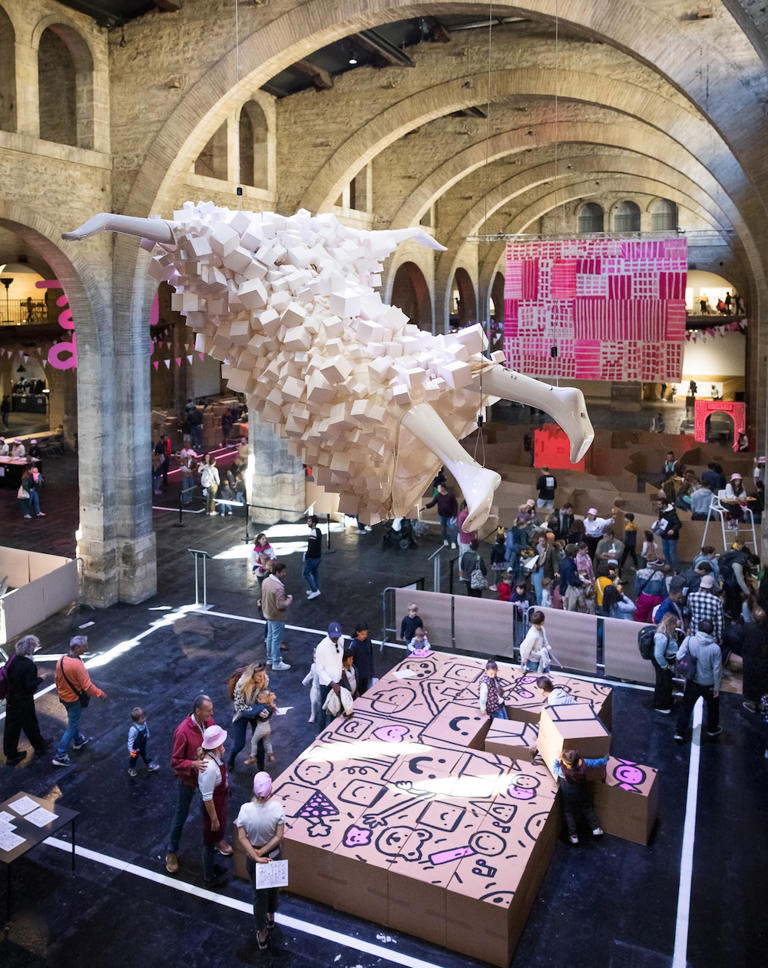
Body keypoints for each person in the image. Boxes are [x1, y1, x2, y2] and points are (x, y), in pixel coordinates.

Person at [165, 694, 229, 874]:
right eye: (208, 711)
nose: (212, 713)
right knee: (181, 814)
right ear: (198, 711)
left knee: (212, 811)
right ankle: (171, 850)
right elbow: (175, 761)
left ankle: (216, 840)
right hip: (188, 780)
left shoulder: (209, 722)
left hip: (206, 778)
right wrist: (192, 764)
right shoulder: (182, 731)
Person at [235, 772, 286, 951]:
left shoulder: (245, 810)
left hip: (253, 857)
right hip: (273, 855)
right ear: (271, 789)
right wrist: (264, 851)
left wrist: (256, 855)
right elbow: (279, 836)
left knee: (259, 894)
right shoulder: (277, 809)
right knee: (273, 889)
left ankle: (262, 932)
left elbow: (241, 837)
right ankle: (271, 917)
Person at [52, 635, 107, 767]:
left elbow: (56, 679)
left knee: (73, 721)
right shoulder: (77, 665)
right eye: (84, 647)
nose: (87, 648)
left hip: (64, 697)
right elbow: (87, 687)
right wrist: (100, 694)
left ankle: (78, 741)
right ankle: (60, 755)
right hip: (74, 699)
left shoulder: (61, 659)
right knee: (72, 727)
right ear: (76, 648)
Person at [674, 618, 723, 742]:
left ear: (699, 629)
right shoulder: (715, 648)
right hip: (709, 683)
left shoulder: (689, 640)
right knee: (712, 707)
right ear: (712, 632)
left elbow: (679, 656)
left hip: (692, 680)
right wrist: (717, 687)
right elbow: (717, 669)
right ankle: (712, 729)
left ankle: (680, 732)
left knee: (686, 707)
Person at [2, 634, 48, 765]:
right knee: (31, 725)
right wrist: (40, 679)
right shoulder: (29, 665)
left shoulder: (13, 659)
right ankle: (40, 747)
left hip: (11, 699)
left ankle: (11, 755)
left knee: (11, 728)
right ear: (31, 648)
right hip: (24, 702)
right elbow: (30, 687)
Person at [198, 724, 230, 888]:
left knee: (214, 838)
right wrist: (214, 818)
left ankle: (210, 867)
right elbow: (207, 796)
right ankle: (208, 877)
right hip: (213, 806)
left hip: (219, 802)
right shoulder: (209, 767)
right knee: (209, 841)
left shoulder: (213, 758)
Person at [553, 750, 607, 845]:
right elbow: (595, 763)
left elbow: (554, 768)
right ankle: (596, 829)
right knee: (587, 808)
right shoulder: (584, 764)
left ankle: (573, 836)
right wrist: (604, 759)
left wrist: (557, 760)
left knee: (569, 812)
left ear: (565, 762)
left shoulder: (562, 771)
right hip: (581, 791)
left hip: (568, 795)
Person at [228, 663, 272, 772]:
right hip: (242, 714)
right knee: (239, 745)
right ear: (252, 675)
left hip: (256, 711)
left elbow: (263, 698)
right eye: (259, 676)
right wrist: (258, 711)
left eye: (263, 675)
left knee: (259, 742)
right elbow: (240, 708)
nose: (262, 679)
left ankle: (261, 770)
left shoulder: (264, 679)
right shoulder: (241, 684)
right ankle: (231, 760)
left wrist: (266, 710)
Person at [261, 562, 292, 671]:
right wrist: (289, 600)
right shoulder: (279, 587)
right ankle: (276, 663)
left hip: (268, 613)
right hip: (277, 616)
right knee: (276, 640)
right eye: (283, 572)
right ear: (277, 572)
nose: (284, 574)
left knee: (270, 637)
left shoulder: (265, 581)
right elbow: (280, 605)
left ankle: (270, 658)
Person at [315, 621, 345, 732]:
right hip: (326, 684)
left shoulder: (341, 640)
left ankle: (332, 732)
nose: (336, 639)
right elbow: (319, 669)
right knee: (324, 709)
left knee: (335, 708)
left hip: (337, 680)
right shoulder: (321, 647)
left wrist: (341, 675)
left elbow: (339, 660)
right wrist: (332, 683)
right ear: (328, 634)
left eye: (337, 637)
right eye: (334, 637)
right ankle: (320, 734)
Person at [652, 613, 680, 714]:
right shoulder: (662, 637)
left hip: (666, 661)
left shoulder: (668, 633)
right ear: (671, 624)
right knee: (663, 684)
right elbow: (658, 655)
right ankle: (660, 705)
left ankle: (665, 701)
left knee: (666, 683)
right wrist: (665, 666)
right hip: (663, 663)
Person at [687, 574, 724, 643]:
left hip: (695, 632)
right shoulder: (716, 600)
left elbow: (689, 611)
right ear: (712, 587)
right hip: (710, 635)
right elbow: (720, 622)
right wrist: (720, 637)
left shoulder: (691, 596)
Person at [245, 688, 277, 767]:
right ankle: (270, 754)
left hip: (261, 728)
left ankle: (252, 756)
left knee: (253, 741)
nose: (257, 699)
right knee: (267, 741)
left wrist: (257, 713)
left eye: (259, 699)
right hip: (268, 727)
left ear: (265, 700)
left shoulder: (263, 708)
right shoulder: (271, 706)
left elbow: (262, 715)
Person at [127, 706, 160, 776]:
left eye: (144, 717)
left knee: (145, 754)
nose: (144, 719)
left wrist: (148, 734)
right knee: (134, 758)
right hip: (135, 747)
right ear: (136, 720)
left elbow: (146, 728)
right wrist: (131, 750)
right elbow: (130, 740)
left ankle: (149, 765)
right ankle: (131, 768)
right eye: (142, 718)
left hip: (142, 743)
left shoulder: (144, 723)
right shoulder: (133, 729)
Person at [425, 482, 459, 548]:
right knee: (443, 529)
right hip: (442, 516)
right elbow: (432, 503)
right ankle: (445, 540)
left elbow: (455, 505)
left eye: (439, 488)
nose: (438, 489)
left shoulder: (451, 495)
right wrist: (426, 506)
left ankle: (453, 542)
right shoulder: (438, 496)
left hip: (450, 516)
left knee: (452, 529)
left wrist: (454, 515)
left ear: (443, 488)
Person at [654, 501, 682, 571]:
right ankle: (669, 565)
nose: (658, 505)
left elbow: (678, 524)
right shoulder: (661, 511)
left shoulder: (672, 513)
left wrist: (673, 529)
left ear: (664, 504)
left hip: (672, 537)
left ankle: (676, 569)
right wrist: (659, 521)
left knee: (672, 553)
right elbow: (661, 519)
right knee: (665, 551)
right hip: (664, 535)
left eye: (659, 504)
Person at [250, 532, 276, 606]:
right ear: (258, 540)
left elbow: (273, 556)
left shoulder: (269, 548)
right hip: (259, 568)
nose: (265, 540)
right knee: (262, 585)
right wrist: (262, 566)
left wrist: (268, 564)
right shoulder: (255, 551)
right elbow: (253, 562)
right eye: (262, 539)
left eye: (265, 538)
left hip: (268, 567)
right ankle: (262, 600)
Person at [559, 544, 587, 612]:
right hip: (569, 592)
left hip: (563, 589)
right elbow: (572, 581)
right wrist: (582, 583)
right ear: (573, 553)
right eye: (576, 552)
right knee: (570, 611)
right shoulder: (569, 565)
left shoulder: (563, 562)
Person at [349, 622, 374, 694]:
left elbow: (371, 657)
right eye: (362, 634)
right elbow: (351, 663)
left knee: (365, 692)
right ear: (357, 632)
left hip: (367, 674)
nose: (365, 636)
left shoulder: (368, 641)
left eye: (366, 634)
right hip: (358, 676)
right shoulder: (353, 646)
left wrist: (371, 671)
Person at [303, 514, 323, 599]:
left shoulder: (313, 532)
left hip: (312, 558)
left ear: (313, 523)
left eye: (309, 521)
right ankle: (315, 588)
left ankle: (315, 591)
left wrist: (306, 556)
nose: (307, 522)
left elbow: (311, 547)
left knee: (306, 574)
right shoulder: (318, 530)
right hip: (317, 557)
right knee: (315, 573)